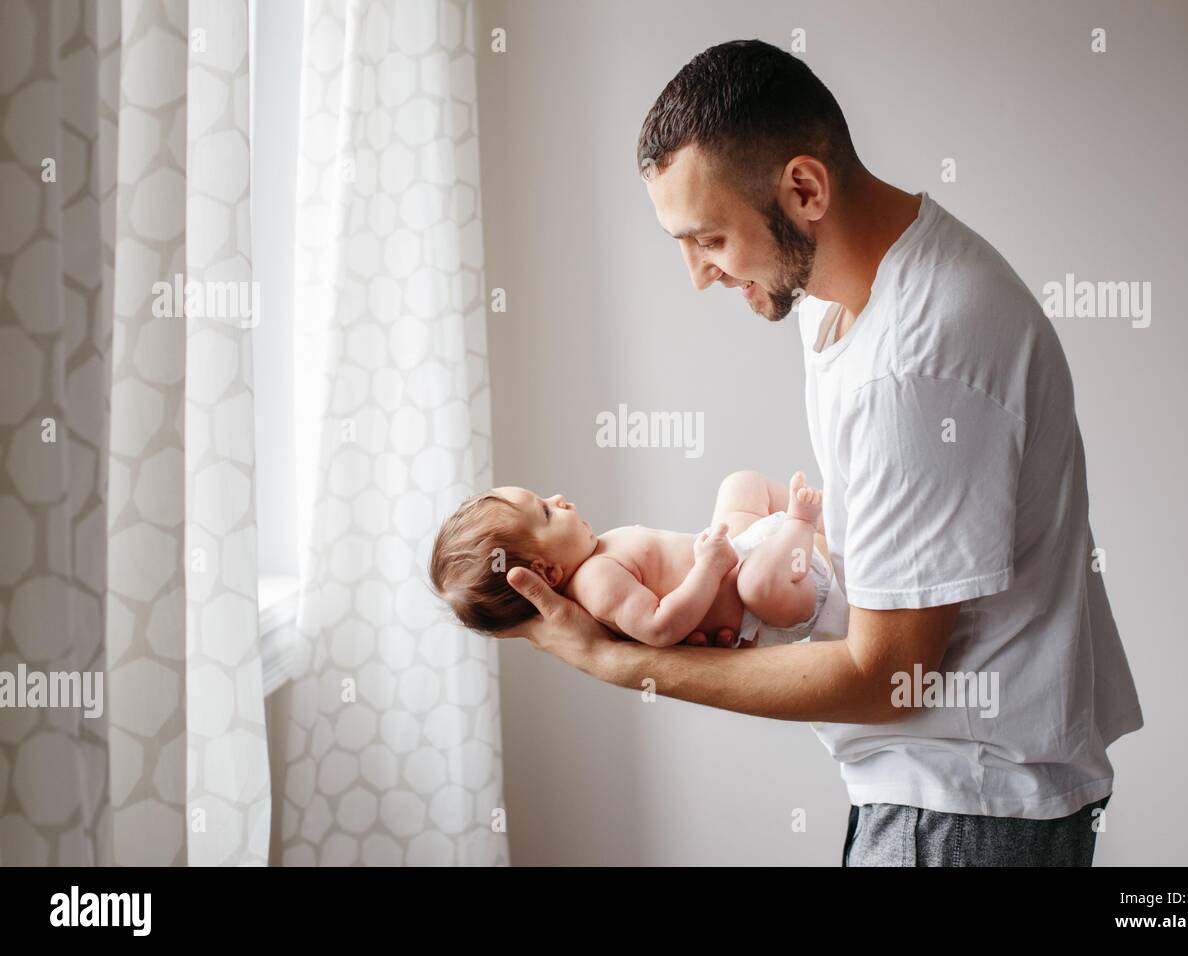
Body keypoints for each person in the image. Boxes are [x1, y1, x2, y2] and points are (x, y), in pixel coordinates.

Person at [502, 39, 1143, 866]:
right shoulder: (838, 300)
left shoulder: (914, 364)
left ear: (804, 188)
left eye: (710, 240)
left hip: (959, 813)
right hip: (938, 797)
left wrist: (620, 662)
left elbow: (883, 676)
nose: (699, 275)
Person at [429, 471, 834, 648]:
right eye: (547, 513)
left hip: (747, 552)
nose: (559, 499)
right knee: (756, 584)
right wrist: (707, 567)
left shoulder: (599, 552)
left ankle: (823, 528)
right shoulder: (596, 584)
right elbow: (660, 626)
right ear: (546, 572)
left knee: (740, 485)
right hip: (767, 603)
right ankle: (803, 523)